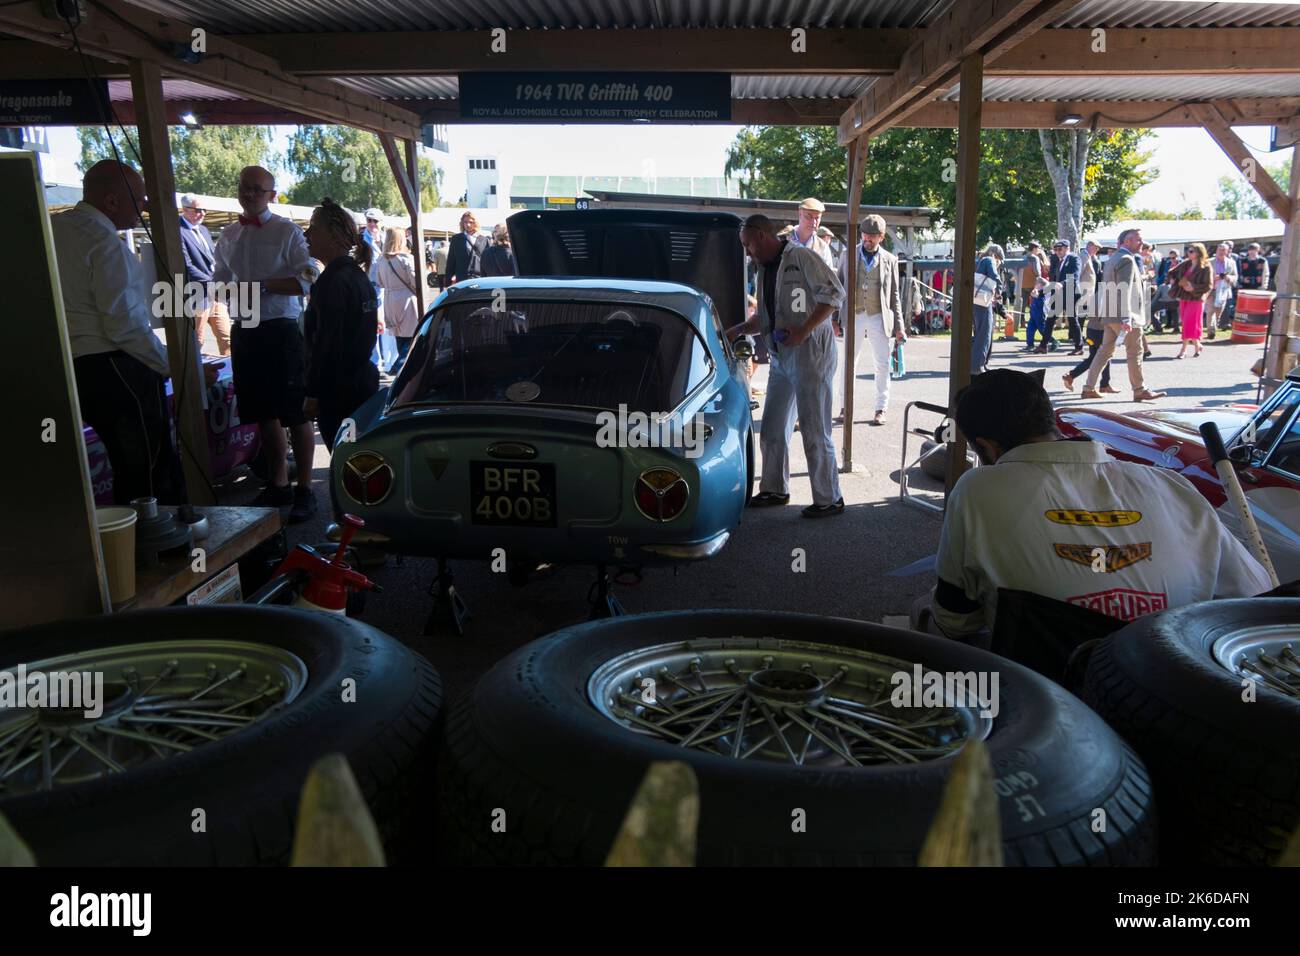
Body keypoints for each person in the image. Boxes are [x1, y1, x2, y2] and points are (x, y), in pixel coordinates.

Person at [930, 369, 1271, 640]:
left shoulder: (978, 489)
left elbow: (955, 620)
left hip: (1048, 700)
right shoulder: (1172, 485)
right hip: (1168, 686)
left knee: (928, 614)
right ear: (1050, 422)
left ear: (987, 447)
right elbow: (1257, 593)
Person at [52, 160, 185, 506]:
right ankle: (154, 550)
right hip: (116, 368)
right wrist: (172, 365)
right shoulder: (106, 244)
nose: (142, 207)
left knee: (130, 467)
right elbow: (124, 326)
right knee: (147, 469)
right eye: (138, 199)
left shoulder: (52, 228)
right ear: (111, 201)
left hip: (71, 366)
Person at [213, 165, 319, 522]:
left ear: (272, 194)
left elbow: (309, 276)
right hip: (245, 329)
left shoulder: (286, 231)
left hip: (280, 329)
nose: (250, 194)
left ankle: (305, 488)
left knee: (293, 412)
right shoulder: (228, 234)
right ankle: (279, 483)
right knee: (262, 413)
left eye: (258, 190)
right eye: (245, 188)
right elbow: (220, 280)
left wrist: (263, 286)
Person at [728, 214, 846, 517]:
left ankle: (829, 498)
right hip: (781, 356)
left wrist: (804, 330)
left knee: (814, 428)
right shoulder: (765, 267)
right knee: (772, 427)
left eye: (748, 245)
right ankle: (774, 488)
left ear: (763, 237)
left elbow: (835, 296)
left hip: (810, 355)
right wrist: (740, 329)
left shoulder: (803, 257)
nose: (746, 253)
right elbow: (767, 316)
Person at [303, 199, 380, 454]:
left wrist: (313, 393)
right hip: (359, 385)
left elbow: (327, 341)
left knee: (346, 464)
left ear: (334, 236)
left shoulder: (333, 282)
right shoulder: (356, 276)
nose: (307, 234)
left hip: (339, 392)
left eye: (314, 228)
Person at [1079, 228, 1166, 402]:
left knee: (1104, 352)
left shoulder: (1113, 259)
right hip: (1125, 315)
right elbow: (1124, 290)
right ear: (1127, 242)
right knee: (1135, 352)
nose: (1141, 243)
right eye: (1137, 240)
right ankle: (1139, 389)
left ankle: (1088, 388)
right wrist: (1127, 317)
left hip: (1111, 314)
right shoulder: (1127, 259)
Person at [835, 214, 903, 426]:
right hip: (853, 314)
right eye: (865, 234)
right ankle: (846, 407)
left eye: (873, 236)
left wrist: (899, 327)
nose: (867, 238)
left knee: (882, 364)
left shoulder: (890, 260)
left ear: (881, 237)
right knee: (848, 363)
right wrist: (835, 319)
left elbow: (894, 296)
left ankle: (881, 408)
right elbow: (838, 286)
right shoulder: (847, 255)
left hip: (879, 316)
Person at [178, 194, 229, 356]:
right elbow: (186, 266)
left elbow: (213, 259)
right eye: (198, 210)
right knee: (196, 341)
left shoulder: (204, 230)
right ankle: (195, 379)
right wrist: (212, 283)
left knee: (227, 338)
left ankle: (231, 378)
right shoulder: (177, 231)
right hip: (196, 294)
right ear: (185, 209)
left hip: (214, 293)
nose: (203, 214)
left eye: (204, 210)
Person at [370, 226, 420, 366]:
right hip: (407, 300)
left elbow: (379, 282)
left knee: (399, 339)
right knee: (410, 342)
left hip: (390, 300)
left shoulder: (381, 260)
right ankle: (399, 369)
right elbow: (416, 282)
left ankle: (399, 368)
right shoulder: (406, 259)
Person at [1170, 242, 1212, 360]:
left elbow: (1208, 285)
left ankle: (1183, 350)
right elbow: (1172, 272)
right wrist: (1173, 279)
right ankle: (1198, 345)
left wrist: (1194, 287)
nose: (1189, 253)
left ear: (1199, 252)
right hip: (1184, 296)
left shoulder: (1206, 266)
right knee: (1187, 322)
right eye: (1188, 251)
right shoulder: (1186, 264)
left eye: (1192, 251)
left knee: (1189, 323)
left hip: (1196, 298)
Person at [1045, 239, 1082, 354]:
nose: (1057, 252)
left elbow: (1074, 276)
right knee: (1050, 319)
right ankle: (1043, 345)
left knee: (1072, 319)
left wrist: (1062, 283)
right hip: (1058, 293)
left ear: (1067, 249)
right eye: (1055, 249)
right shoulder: (1055, 259)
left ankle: (1079, 347)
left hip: (1071, 292)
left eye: (1060, 249)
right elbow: (1053, 275)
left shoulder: (1074, 259)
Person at [971, 244, 1003, 375]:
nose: (999, 263)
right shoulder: (989, 260)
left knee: (980, 332)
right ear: (995, 255)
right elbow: (994, 276)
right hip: (983, 302)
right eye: (999, 260)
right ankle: (977, 366)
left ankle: (981, 363)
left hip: (975, 301)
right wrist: (1000, 291)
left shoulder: (979, 260)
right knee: (985, 333)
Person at [787, 198, 835, 269]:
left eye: (817, 218)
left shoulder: (823, 248)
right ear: (800, 214)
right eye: (809, 217)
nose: (813, 222)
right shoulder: (784, 240)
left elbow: (827, 278)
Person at [1205, 242, 1238, 339]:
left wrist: (1228, 278)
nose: (1221, 252)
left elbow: (1235, 277)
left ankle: (1215, 323)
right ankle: (1211, 331)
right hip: (1212, 289)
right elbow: (1205, 276)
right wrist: (1214, 278)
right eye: (1219, 249)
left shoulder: (1231, 263)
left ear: (1227, 251)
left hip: (1223, 291)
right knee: (1210, 310)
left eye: (1223, 250)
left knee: (1218, 310)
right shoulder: (1209, 262)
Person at [446, 211, 488, 284]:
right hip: (462, 279)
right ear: (462, 223)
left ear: (475, 223)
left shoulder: (484, 240)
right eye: (465, 222)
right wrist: (448, 280)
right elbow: (451, 260)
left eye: (471, 222)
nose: (468, 224)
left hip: (480, 279)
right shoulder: (456, 239)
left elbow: (488, 262)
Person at [1024, 276, 1049, 353]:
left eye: (1037, 283)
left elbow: (1042, 301)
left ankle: (1053, 341)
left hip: (1039, 315)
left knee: (1043, 330)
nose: (1035, 284)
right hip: (1033, 315)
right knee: (1029, 330)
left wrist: (1036, 295)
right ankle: (1030, 344)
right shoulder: (1035, 291)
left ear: (1041, 285)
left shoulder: (1043, 292)